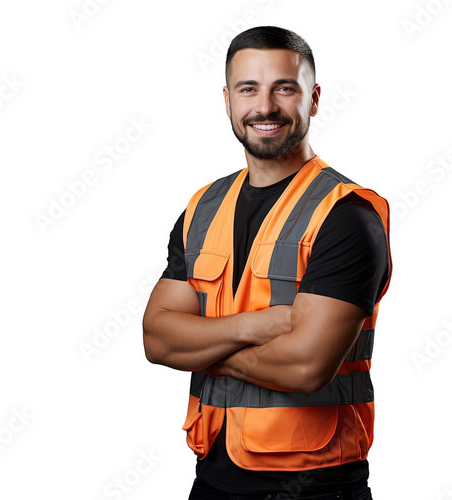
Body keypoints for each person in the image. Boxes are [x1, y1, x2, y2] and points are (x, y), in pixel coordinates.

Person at [142, 26, 391, 499]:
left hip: (317, 486)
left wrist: (202, 346)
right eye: (248, 89)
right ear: (227, 100)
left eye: (285, 88)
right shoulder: (203, 208)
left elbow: (305, 366)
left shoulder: (346, 216)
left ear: (313, 99)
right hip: (211, 479)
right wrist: (257, 326)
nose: (265, 106)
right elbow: (157, 339)